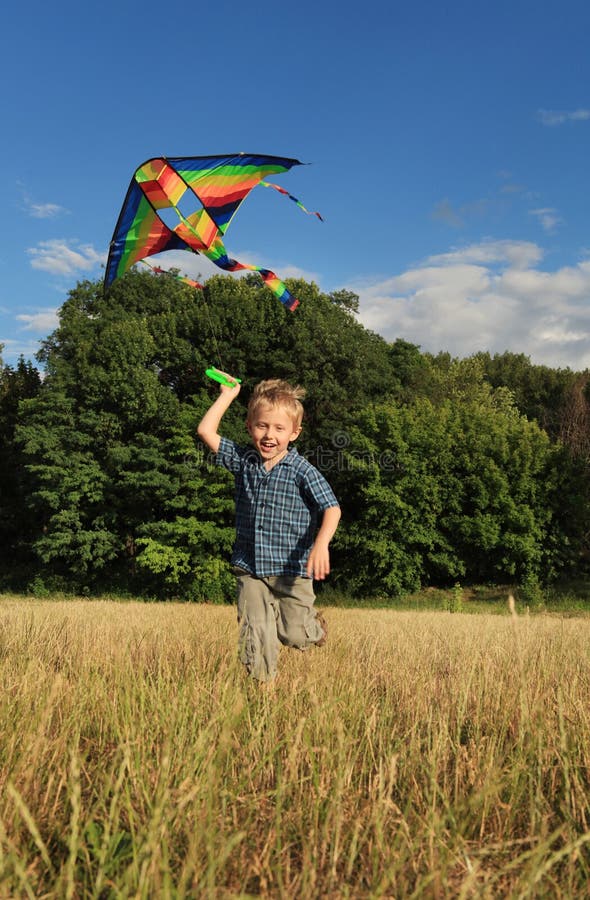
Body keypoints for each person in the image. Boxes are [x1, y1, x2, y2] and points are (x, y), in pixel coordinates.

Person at [197, 375, 341, 682]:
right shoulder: (243, 461)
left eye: (278, 428)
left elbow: (332, 508)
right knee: (255, 636)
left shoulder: (303, 470)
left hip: (292, 571)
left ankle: (313, 629)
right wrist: (228, 395)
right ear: (249, 427)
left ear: (294, 433)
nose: (269, 435)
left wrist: (321, 544)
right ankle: (262, 693)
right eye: (262, 425)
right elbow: (205, 430)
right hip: (250, 567)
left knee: (295, 636)